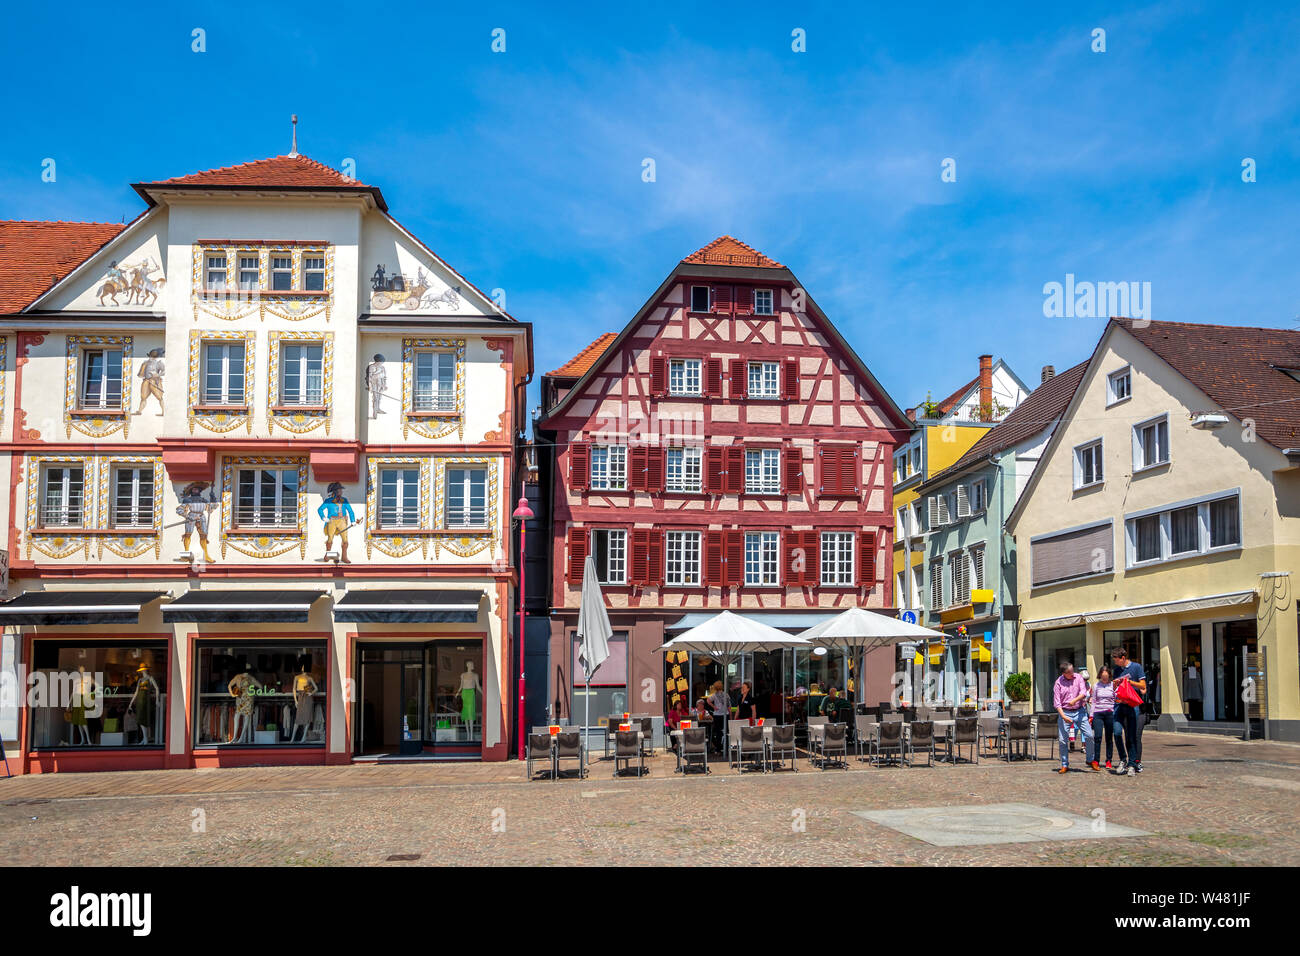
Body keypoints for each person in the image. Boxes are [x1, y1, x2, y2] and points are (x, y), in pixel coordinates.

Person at [1052, 662, 1094, 773]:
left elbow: (1083, 692)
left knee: (1089, 735)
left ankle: (1090, 759)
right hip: (1065, 712)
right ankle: (1064, 764)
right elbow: (1057, 703)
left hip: (1079, 711)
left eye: (1072, 670)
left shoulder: (1078, 677)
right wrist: (1063, 716)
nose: (1072, 673)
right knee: (1063, 740)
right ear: (1064, 673)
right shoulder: (1058, 683)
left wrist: (1075, 700)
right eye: (1070, 672)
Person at [1112, 647, 1148, 775]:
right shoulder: (1117, 670)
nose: (1115, 662)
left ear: (1123, 658)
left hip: (1133, 705)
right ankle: (1123, 759)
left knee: (1131, 736)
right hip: (1119, 705)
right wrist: (1115, 684)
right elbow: (1115, 689)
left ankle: (1132, 764)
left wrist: (1129, 682)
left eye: (1116, 660)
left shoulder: (1136, 667)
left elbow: (1143, 685)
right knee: (1117, 732)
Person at [1090, 667, 1117, 770]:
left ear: (1109, 675)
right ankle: (1096, 760)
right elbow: (1094, 701)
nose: (1104, 678)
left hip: (1110, 713)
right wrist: (1091, 715)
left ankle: (1108, 760)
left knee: (1109, 738)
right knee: (1097, 737)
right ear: (1100, 675)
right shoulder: (1096, 685)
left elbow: (1116, 698)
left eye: (1106, 676)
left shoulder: (1113, 685)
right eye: (1103, 676)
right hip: (1098, 713)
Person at [707, 680, 730, 752]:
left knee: (718, 732)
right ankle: (726, 747)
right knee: (726, 731)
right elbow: (729, 706)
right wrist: (730, 714)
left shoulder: (714, 695)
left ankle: (718, 748)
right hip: (725, 714)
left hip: (717, 715)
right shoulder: (726, 694)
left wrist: (714, 707)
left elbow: (708, 700)